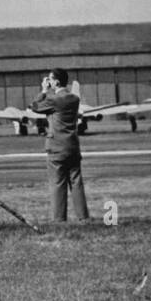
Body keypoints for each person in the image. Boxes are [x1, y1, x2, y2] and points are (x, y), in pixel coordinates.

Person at [32, 68, 88, 221]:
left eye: (50, 79)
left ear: (56, 81)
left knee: (58, 184)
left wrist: (43, 90)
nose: (48, 82)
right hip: (73, 146)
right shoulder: (74, 99)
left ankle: (59, 219)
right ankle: (83, 217)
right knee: (76, 183)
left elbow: (35, 106)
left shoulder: (53, 100)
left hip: (56, 147)